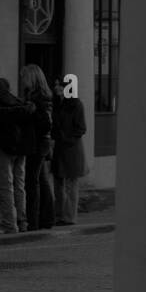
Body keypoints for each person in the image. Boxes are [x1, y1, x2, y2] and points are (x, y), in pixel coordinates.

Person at [0, 78, 33, 233]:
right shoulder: (22, 104)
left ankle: (9, 223)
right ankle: (22, 221)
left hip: (3, 149)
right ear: (10, 87)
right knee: (19, 186)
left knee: (6, 187)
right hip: (21, 151)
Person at [19, 64, 55, 230]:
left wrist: (32, 113)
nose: (22, 80)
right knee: (41, 180)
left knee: (32, 182)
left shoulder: (38, 98)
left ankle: (34, 220)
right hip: (41, 142)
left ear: (32, 78)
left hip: (38, 143)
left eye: (24, 76)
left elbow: (46, 124)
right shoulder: (39, 96)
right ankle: (46, 219)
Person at [51, 77, 87, 226]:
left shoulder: (76, 104)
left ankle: (69, 216)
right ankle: (59, 215)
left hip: (71, 148)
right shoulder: (57, 104)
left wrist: (65, 138)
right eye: (56, 85)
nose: (57, 87)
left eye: (60, 85)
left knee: (71, 184)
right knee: (58, 183)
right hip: (59, 148)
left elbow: (81, 128)